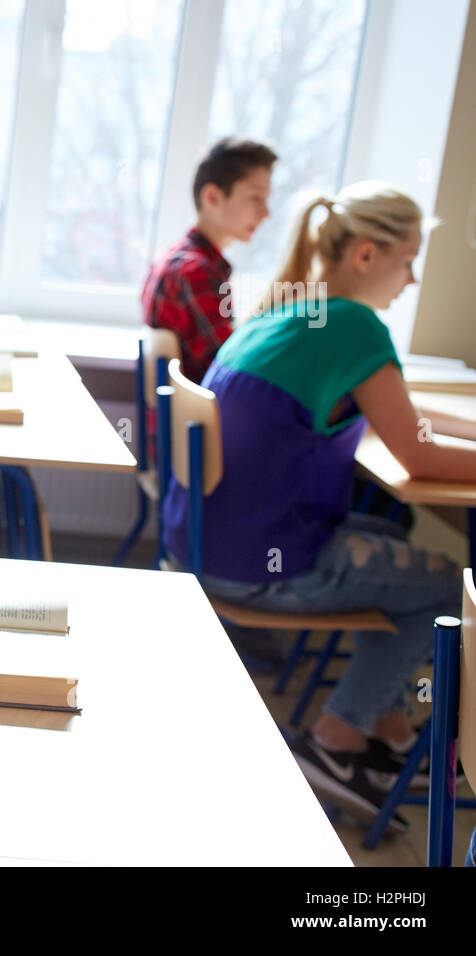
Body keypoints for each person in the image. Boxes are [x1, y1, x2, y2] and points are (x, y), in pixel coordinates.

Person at [163, 182, 476, 830]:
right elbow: (419, 455)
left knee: (392, 542)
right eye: (408, 260)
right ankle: (337, 742)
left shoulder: (293, 311)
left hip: (208, 545)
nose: (412, 279)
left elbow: (403, 412)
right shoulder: (355, 324)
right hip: (264, 564)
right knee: (450, 587)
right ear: (366, 255)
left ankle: (384, 727)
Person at [143, 137, 277, 383]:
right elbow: (229, 371)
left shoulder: (174, 258)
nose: (266, 212)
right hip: (203, 418)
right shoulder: (196, 272)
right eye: (256, 198)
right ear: (212, 197)